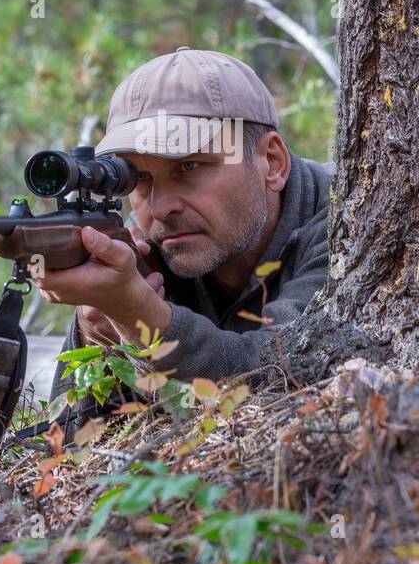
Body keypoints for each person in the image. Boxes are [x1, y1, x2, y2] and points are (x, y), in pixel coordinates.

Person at [34, 47, 332, 437]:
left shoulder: (347, 218)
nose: (160, 207)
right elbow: (76, 444)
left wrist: (140, 316)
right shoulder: (140, 247)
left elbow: (287, 372)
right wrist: (99, 334)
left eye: (188, 166)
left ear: (271, 162)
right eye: (138, 178)